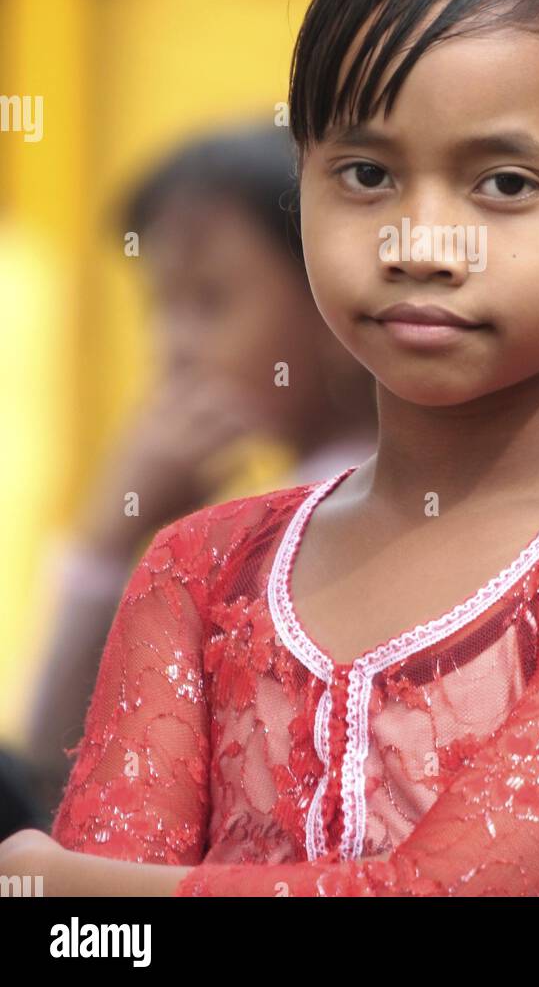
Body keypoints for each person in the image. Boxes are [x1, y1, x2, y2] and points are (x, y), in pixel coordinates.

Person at [3, 0, 539, 896]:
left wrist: (56, 877)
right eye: (365, 174)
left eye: (502, 184)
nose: (419, 245)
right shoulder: (197, 570)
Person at [22, 122, 378, 818]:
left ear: (337, 301)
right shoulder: (243, 525)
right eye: (161, 306)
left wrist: (105, 544)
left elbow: (48, 781)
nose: (172, 348)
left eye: (210, 301)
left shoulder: (322, 533)